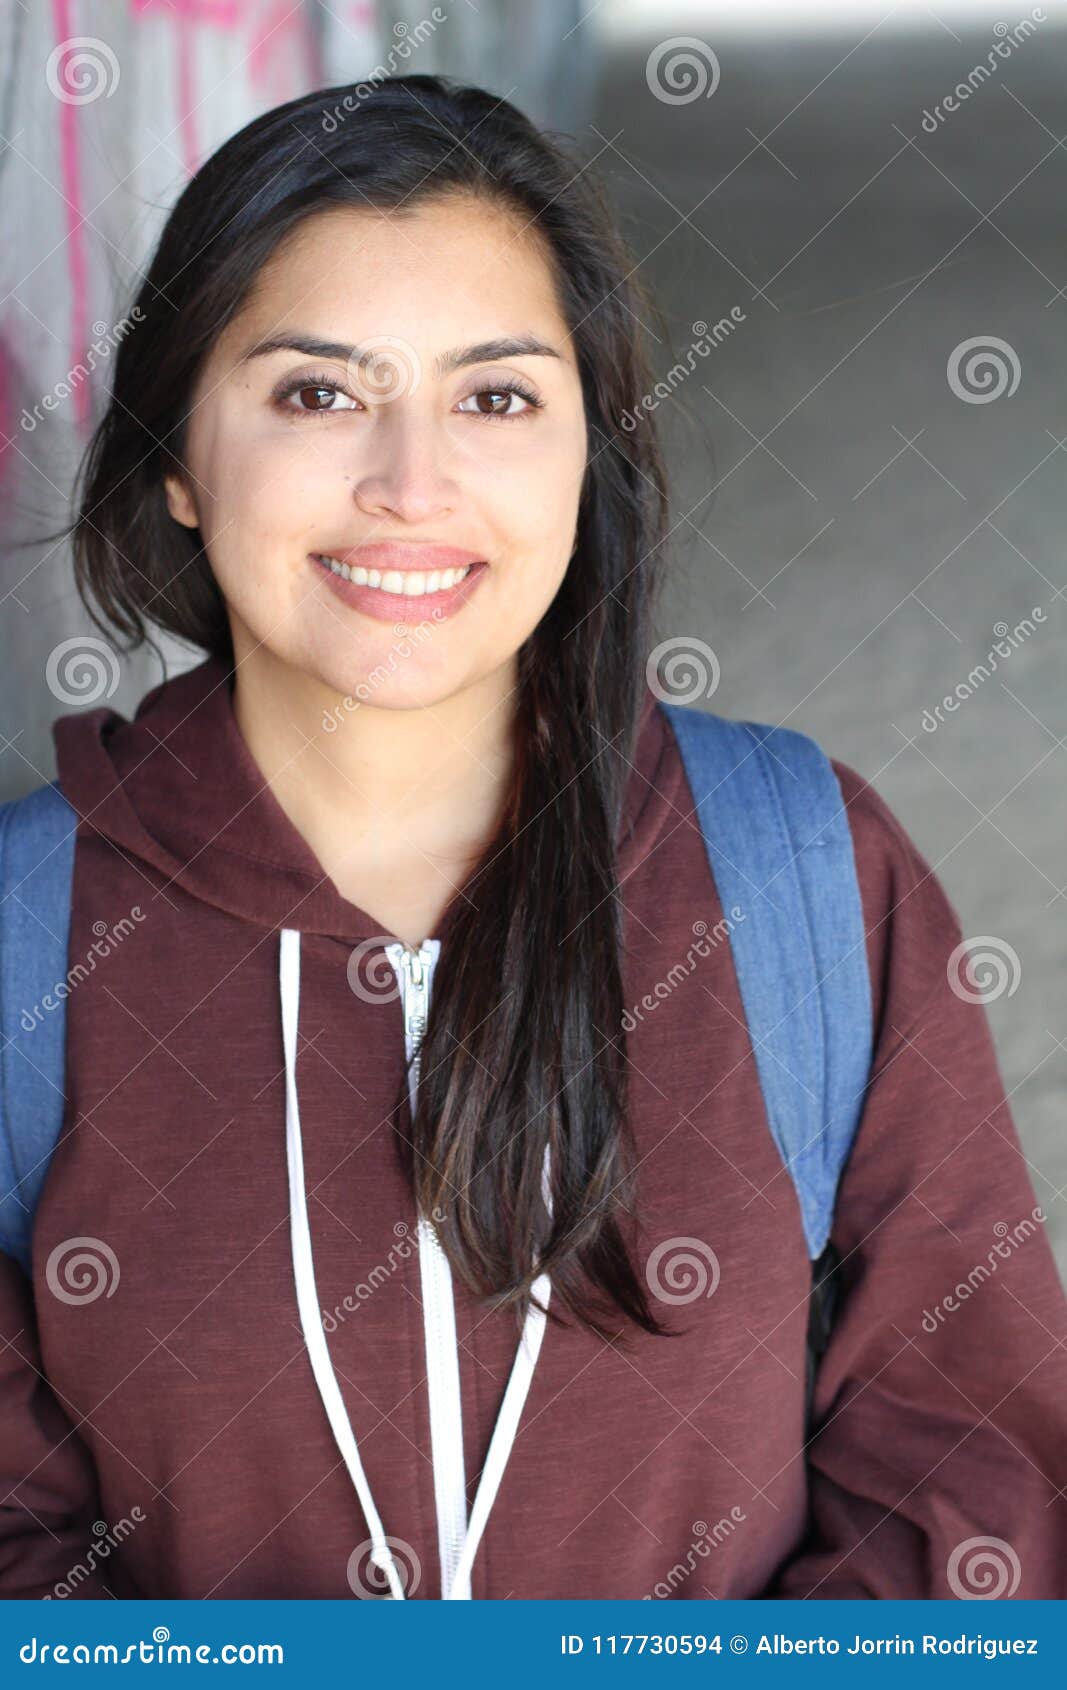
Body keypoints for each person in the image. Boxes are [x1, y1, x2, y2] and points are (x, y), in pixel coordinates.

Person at [2, 74, 1065, 1602]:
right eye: (317, 393)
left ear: (588, 451)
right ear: (177, 456)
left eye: (495, 396)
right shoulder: (34, 937)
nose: (410, 485)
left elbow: (968, 1463)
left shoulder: (803, 879)